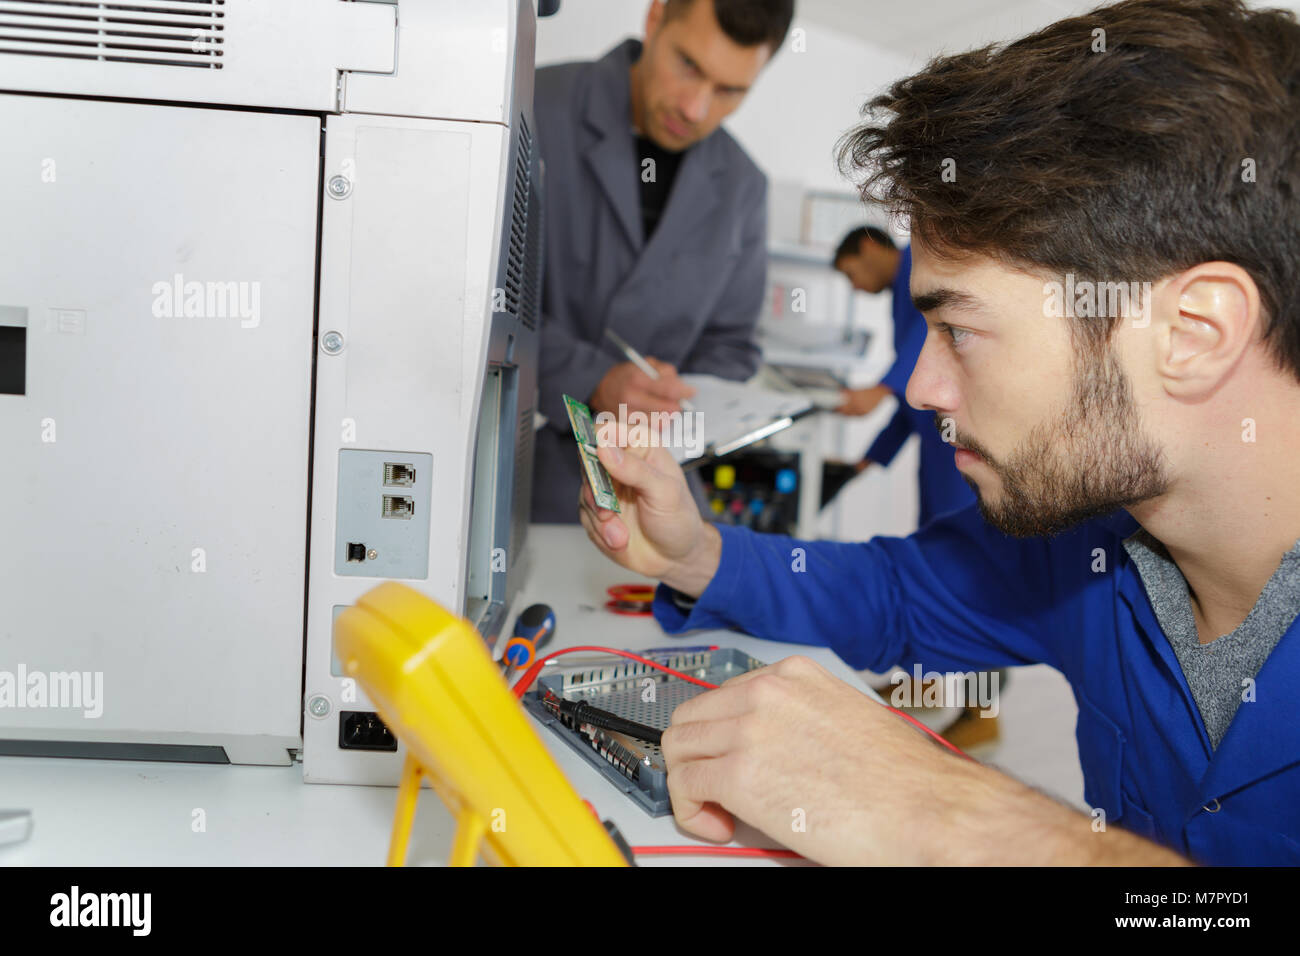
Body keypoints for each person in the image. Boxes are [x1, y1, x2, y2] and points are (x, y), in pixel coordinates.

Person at [576, 0, 1300, 865]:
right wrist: (692, 552)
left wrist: (957, 817)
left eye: (958, 329)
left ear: (1192, 332)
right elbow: (894, 595)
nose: (919, 387)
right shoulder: (1090, 548)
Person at [530, 0, 794, 522]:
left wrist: (675, 396)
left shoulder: (743, 186)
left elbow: (732, 348)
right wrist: (594, 381)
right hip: (519, 475)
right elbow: (472, 302)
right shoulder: (533, 106)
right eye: (689, 65)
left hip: (661, 490)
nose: (696, 108)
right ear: (654, 20)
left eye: (730, 91)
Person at [828, 227, 975, 526]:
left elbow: (931, 333)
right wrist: (864, 463)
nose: (854, 287)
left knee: (961, 537)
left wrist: (880, 389)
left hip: (958, 442)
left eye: (850, 273)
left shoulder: (925, 262)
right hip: (934, 444)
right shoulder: (899, 294)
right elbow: (911, 401)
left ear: (868, 247)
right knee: (934, 535)